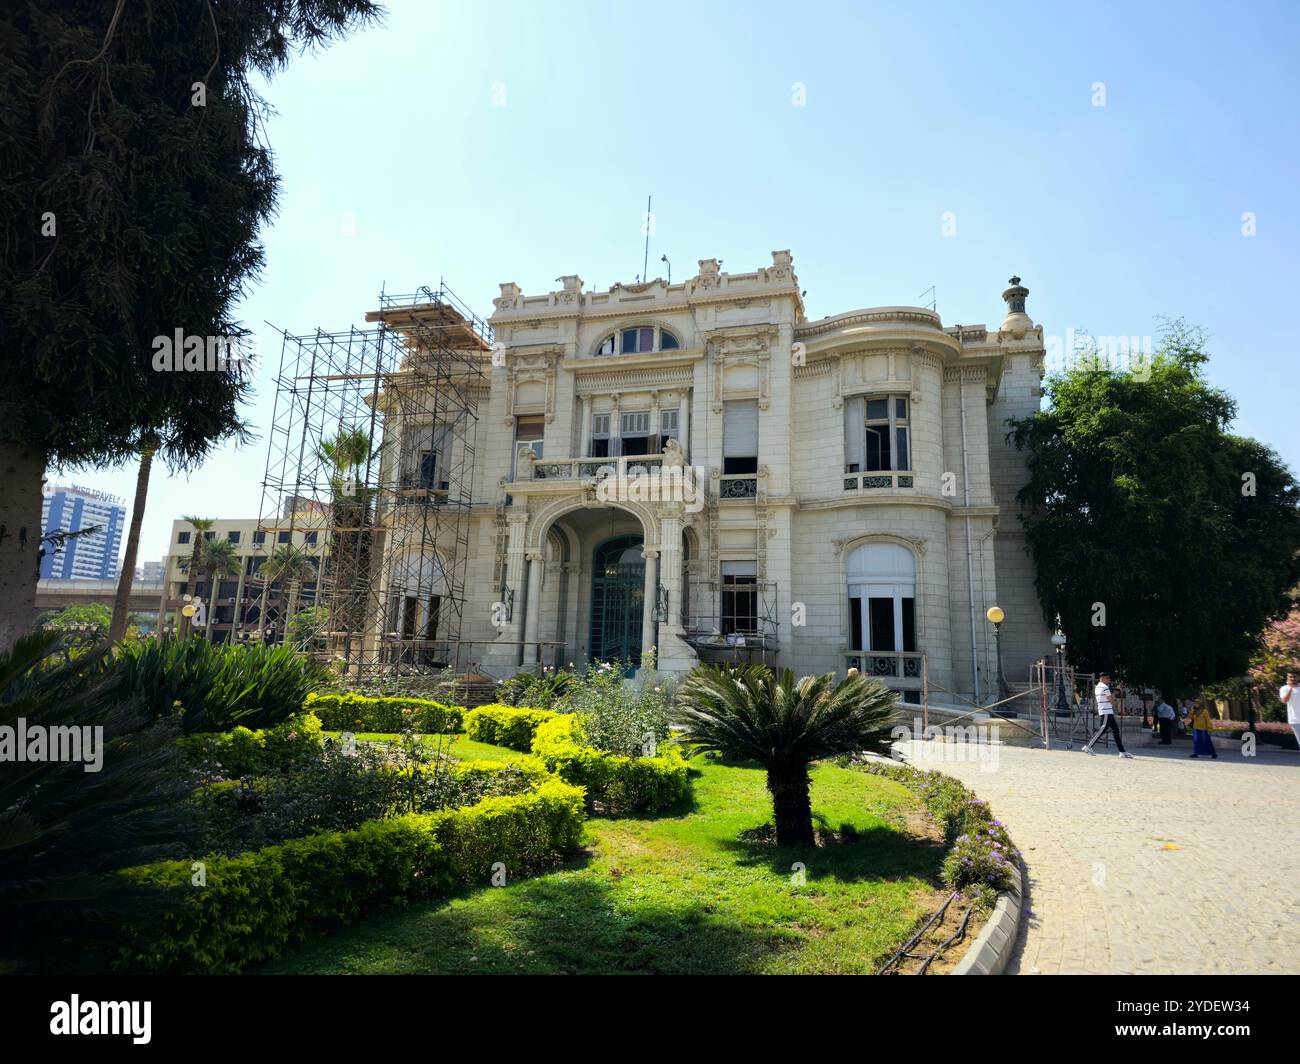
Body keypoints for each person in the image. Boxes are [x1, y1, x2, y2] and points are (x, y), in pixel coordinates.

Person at [1085, 671, 1133, 758]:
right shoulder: (1105, 687)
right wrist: (1114, 699)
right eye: (1107, 678)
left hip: (1105, 711)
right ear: (1102, 678)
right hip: (1106, 711)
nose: (1109, 680)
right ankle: (1088, 746)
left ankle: (1122, 751)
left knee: (1115, 730)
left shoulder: (1097, 687)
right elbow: (1111, 700)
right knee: (1102, 730)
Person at [1280, 672, 1300, 751]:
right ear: (1287, 678)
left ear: (1298, 677)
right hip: (1295, 720)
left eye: (1294, 677)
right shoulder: (1284, 688)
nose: (1292, 678)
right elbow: (1284, 700)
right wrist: (1291, 688)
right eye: (1290, 677)